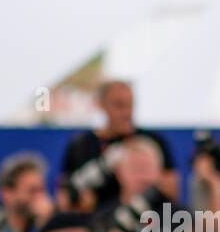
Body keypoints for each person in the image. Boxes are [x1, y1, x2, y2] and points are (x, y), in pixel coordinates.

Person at [60, 80, 178, 211]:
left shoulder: (153, 141)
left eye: (130, 105)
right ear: (102, 105)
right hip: (97, 221)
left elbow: (172, 189)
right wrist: (80, 202)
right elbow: (64, 197)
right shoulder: (82, 145)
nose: (126, 112)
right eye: (119, 105)